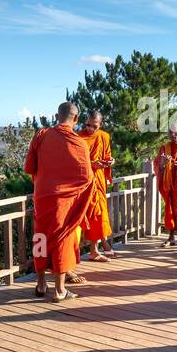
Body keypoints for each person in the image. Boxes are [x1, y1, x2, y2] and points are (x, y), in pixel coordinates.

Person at [23, 102, 95, 303]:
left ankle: (40, 285)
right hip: (64, 200)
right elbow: (87, 177)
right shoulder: (79, 143)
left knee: (40, 238)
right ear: (76, 119)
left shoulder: (41, 135)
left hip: (42, 196)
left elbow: (29, 167)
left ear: (57, 115)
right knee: (62, 238)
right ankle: (60, 290)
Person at [78, 111, 117, 262]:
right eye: (87, 125)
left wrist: (110, 161)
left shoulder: (104, 136)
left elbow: (106, 154)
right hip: (82, 182)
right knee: (80, 218)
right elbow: (75, 161)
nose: (90, 129)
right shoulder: (78, 137)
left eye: (94, 126)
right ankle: (74, 254)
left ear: (100, 125)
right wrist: (91, 164)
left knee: (98, 214)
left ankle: (94, 250)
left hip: (98, 180)